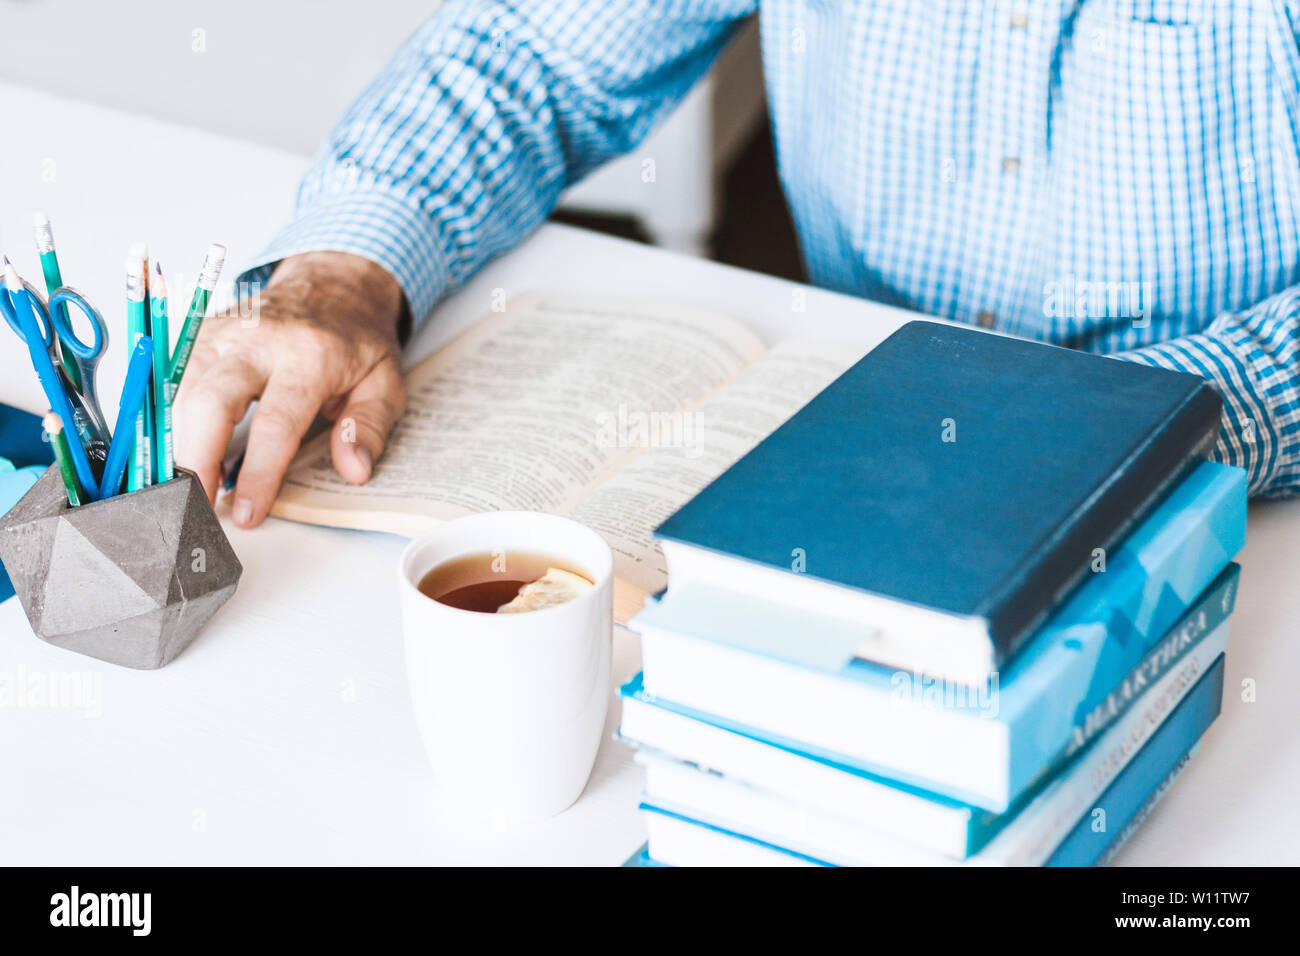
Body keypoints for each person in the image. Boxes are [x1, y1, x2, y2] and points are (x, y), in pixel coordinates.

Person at [173, 1, 1300, 528]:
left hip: (1239, 521)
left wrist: (1162, 424)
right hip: (854, 481)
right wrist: (343, 277)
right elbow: (532, 52)